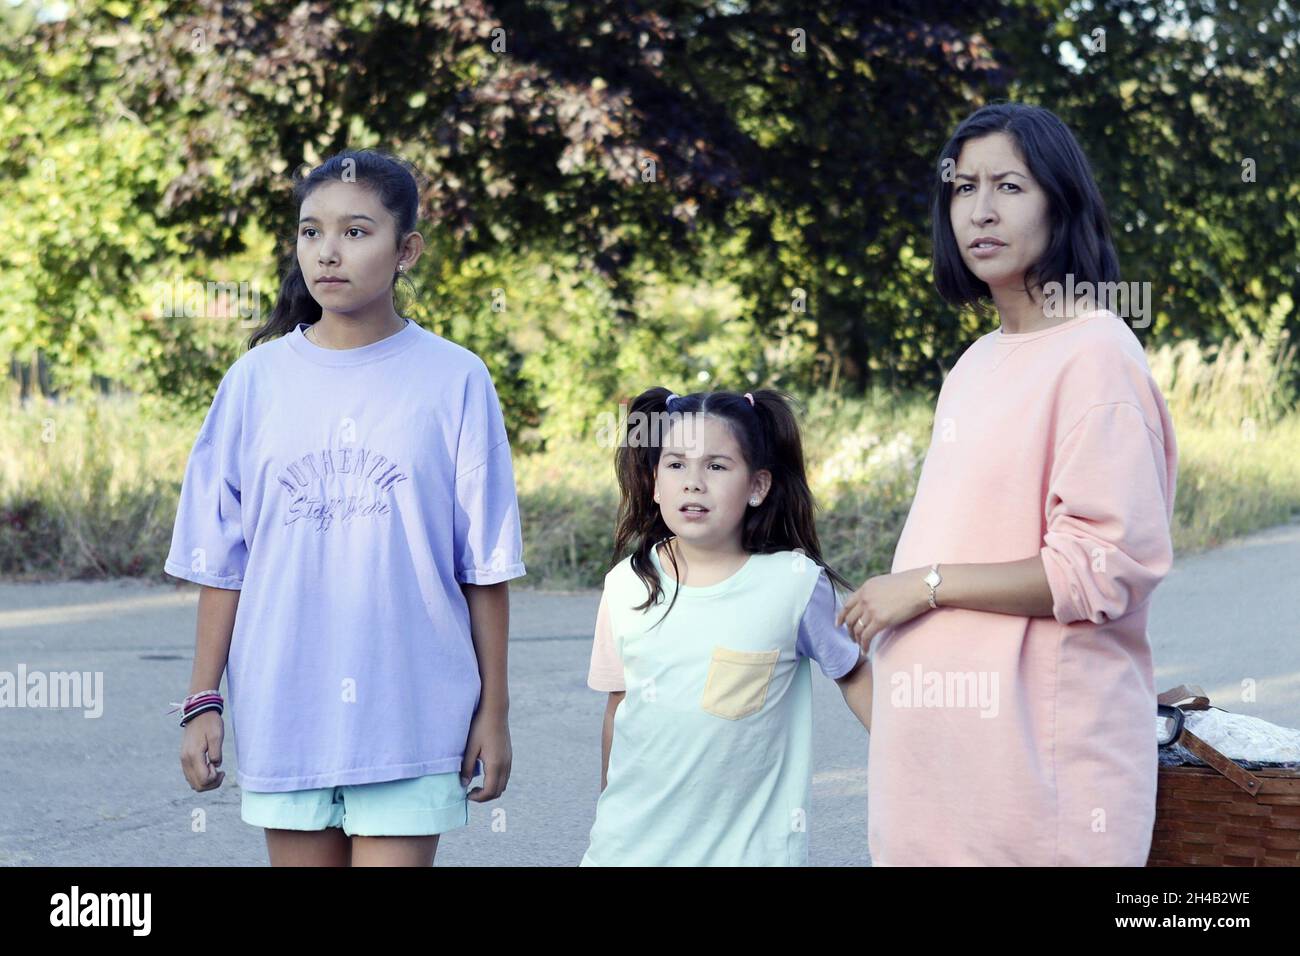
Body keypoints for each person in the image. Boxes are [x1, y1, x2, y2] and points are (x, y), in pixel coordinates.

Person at [838, 102, 1178, 865]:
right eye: (962, 189)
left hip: (1038, 779)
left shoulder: (1097, 355)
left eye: (1010, 187)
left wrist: (922, 586)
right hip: (936, 774)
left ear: (1060, 201)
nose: (980, 211)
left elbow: (1100, 571)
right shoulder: (975, 364)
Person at [166, 149, 525, 867]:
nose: (328, 252)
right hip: (285, 704)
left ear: (406, 251)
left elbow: (483, 565)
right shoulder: (254, 382)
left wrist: (495, 711)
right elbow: (223, 562)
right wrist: (204, 703)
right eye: (311, 232)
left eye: (357, 232)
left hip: (412, 708)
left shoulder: (455, 378)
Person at [582, 387, 873, 866]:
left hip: (748, 853)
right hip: (630, 849)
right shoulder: (626, 585)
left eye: (716, 466)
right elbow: (619, 706)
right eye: (676, 465)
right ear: (655, 484)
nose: (693, 483)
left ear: (757, 486)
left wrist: (911, 762)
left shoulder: (794, 584)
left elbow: (855, 673)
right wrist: (607, 817)